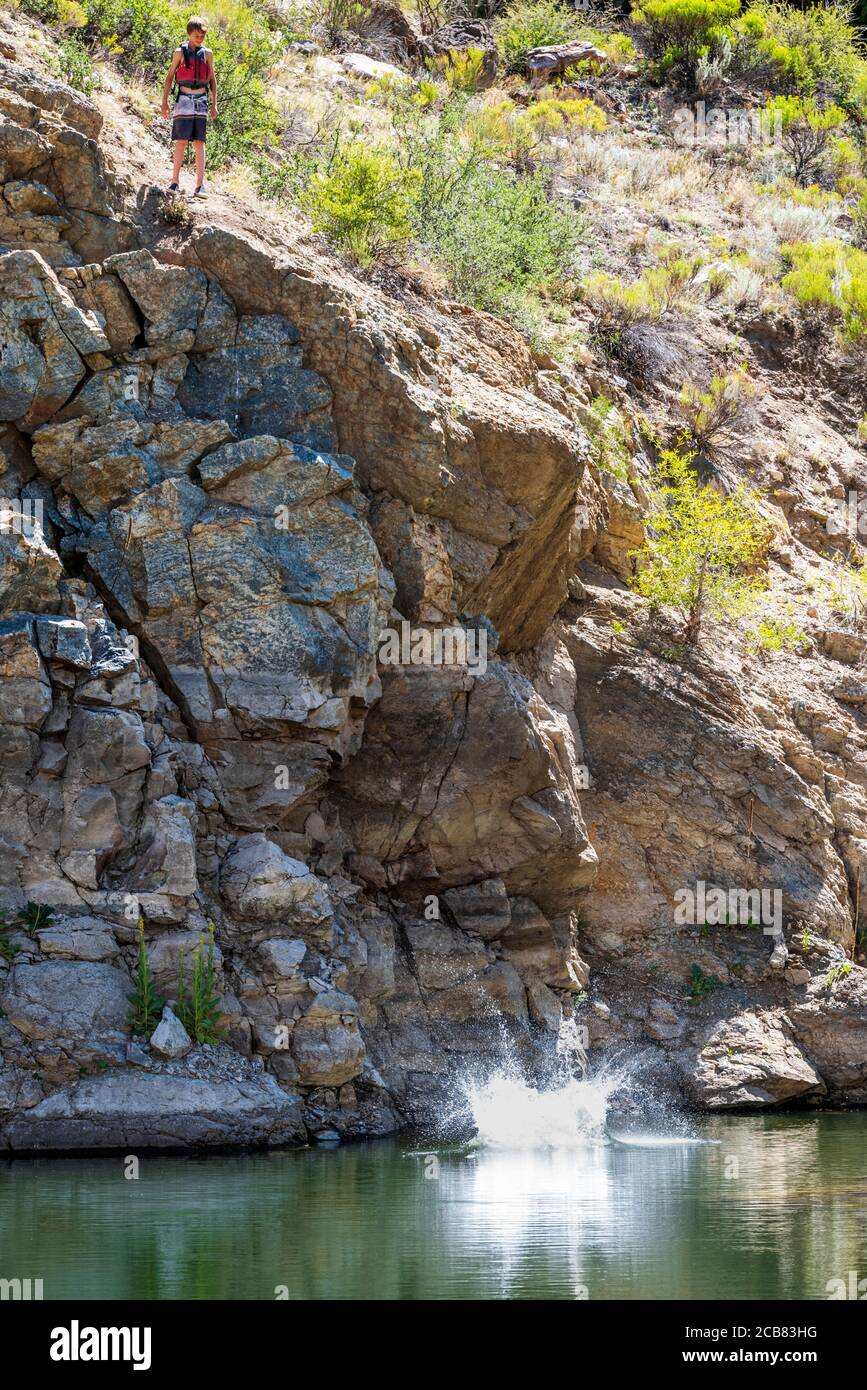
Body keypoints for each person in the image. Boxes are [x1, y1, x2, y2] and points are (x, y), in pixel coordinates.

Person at [161, 17, 218, 198]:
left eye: (202, 35)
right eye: (196, 35)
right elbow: (170, 77)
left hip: (201, 100)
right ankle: (175, 181)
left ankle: (200, 186)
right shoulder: (179, 52)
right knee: (181, 141)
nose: (199, 38)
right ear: (189, 34)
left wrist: (214, 103)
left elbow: (212, 79)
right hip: (184, 99)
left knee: (199, 142)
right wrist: (164, 102)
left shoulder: (207, 54)